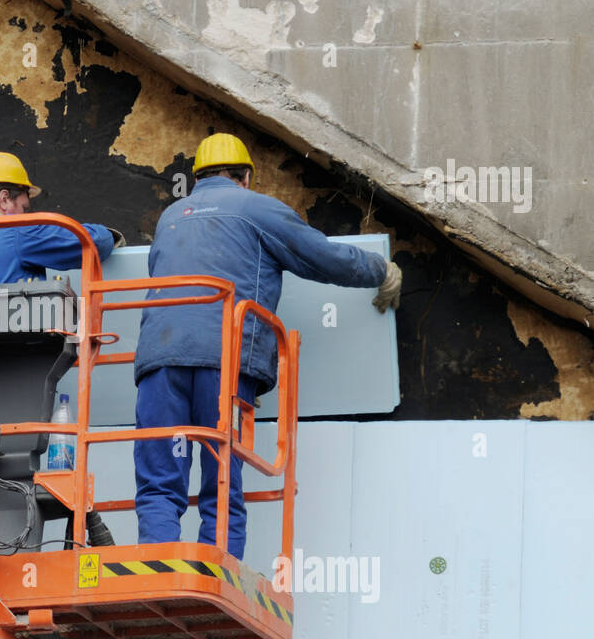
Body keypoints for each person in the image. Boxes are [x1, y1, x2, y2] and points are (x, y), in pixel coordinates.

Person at [133, 133, 402, 559]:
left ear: (198, 177)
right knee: (221, 480)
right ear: (244, 178)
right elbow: (321, 257)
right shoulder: (255, 208)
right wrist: (379, 271)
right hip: (225, 361)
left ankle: (156, 566)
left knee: (160, 478)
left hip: (159, 362)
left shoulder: (170, 216)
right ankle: (215, 573)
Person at [0, 151, 119, 283]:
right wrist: (112, 236)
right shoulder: (17, 233)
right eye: (23, 208)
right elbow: (97, 242)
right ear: (5, 198)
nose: (24, 215)